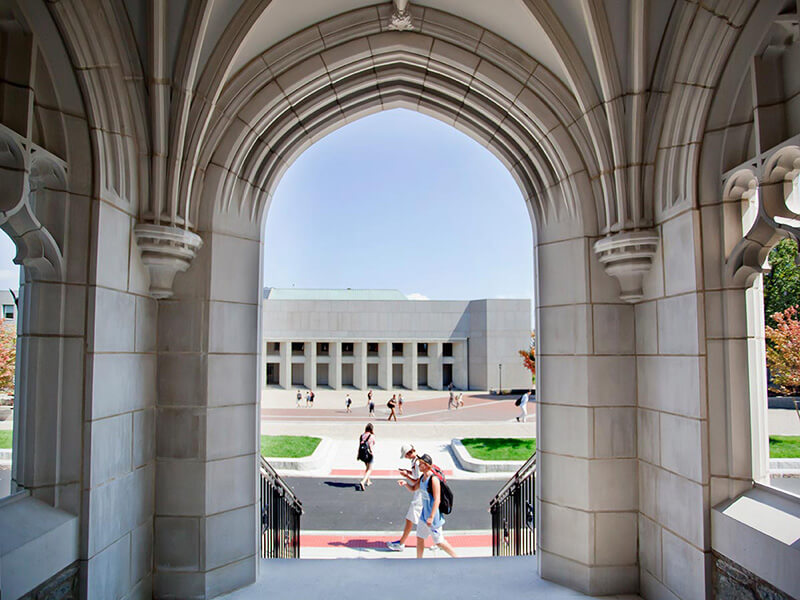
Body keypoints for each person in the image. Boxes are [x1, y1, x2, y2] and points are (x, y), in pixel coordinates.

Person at [407, 454, 458, 558]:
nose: (419, 466)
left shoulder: (433, 480)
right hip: (423, 515)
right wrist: (405, 483)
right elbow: (413, 489)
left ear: (426, 465)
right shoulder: (422, 478)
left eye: (421, 464)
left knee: (439, 542)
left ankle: (457, 558)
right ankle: (419, 561)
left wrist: (431, 517)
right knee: (420, 538)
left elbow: (437, 499)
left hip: (433, 518)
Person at [386, 444, 421, 552]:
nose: (406, 457)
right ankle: (438, 541)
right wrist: (408, 472)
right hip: (422, 495)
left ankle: (401, 543)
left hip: (420, 496)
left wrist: (406, 477)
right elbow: (416, 476)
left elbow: (418, 481)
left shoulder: (418, 463)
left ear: (409, 453)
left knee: (410, 519)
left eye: (406, 455)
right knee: (426, 520)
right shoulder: (416, 461)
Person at [357, 423, 376, 491]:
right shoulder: (372, 436)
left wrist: (358, 455)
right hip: (369, 454)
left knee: (367, 468)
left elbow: (359, 445)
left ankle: (368, 481)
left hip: (363, 454)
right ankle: (363, 481)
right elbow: (373, 443)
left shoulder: (362, 435)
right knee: (370, 469)